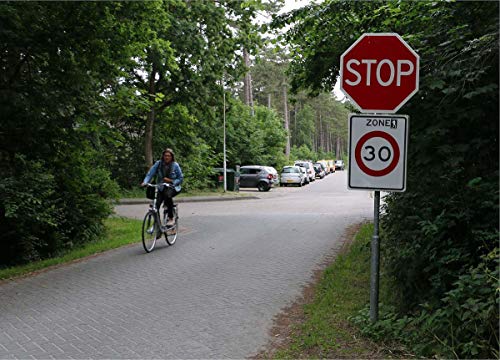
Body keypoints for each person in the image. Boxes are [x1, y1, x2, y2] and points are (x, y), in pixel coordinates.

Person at [141, 148, 183, 227]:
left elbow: (180, 178)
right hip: (161, 187)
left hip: (173, 187)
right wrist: (145, 182)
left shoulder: (175, 165)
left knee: (167, 196)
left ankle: (171, 218)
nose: (167, 157)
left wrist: (171, 181)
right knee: (156, 205)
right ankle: (157, 226)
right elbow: (150, 174)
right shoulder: (158, 164)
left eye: (168, 156)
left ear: (171, 157)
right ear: (163, 156)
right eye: (165, 155)